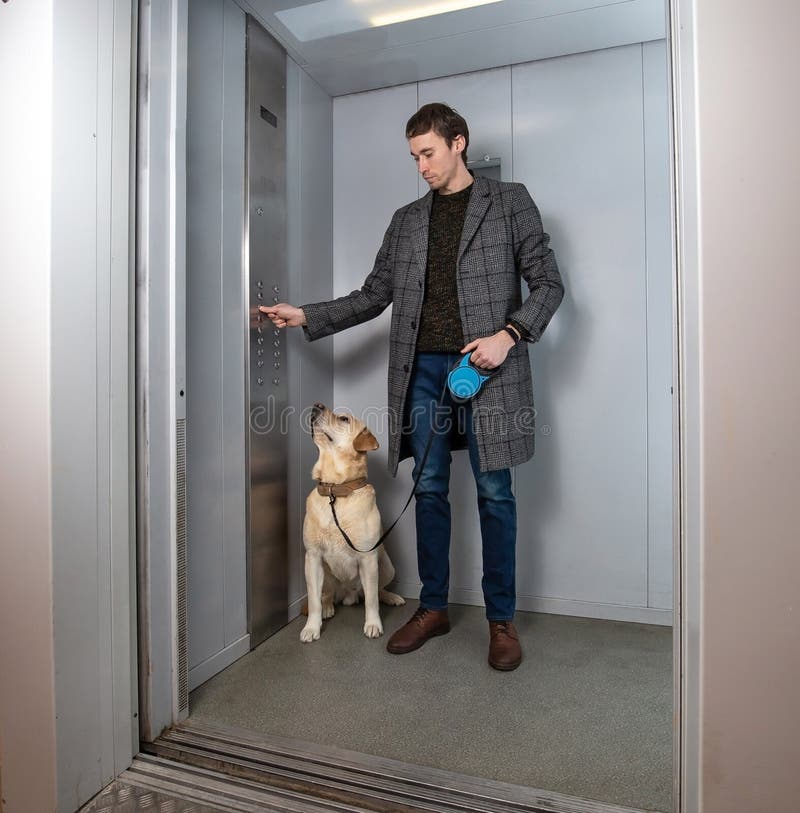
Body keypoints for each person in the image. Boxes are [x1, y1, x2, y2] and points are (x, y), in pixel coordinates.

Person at [261, 103, 563, 671]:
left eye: (428, 153)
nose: (421, 165)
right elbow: (373, 294)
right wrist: (306, 315)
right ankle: (433, 608)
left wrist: (510, 333)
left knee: (495, 494)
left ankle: (501, 619)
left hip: (489, 370)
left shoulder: (510, 201)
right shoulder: (406, 220)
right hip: (422, 371)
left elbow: (548, 283)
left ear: (459, 143)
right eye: (414, 157)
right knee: (428, 490)